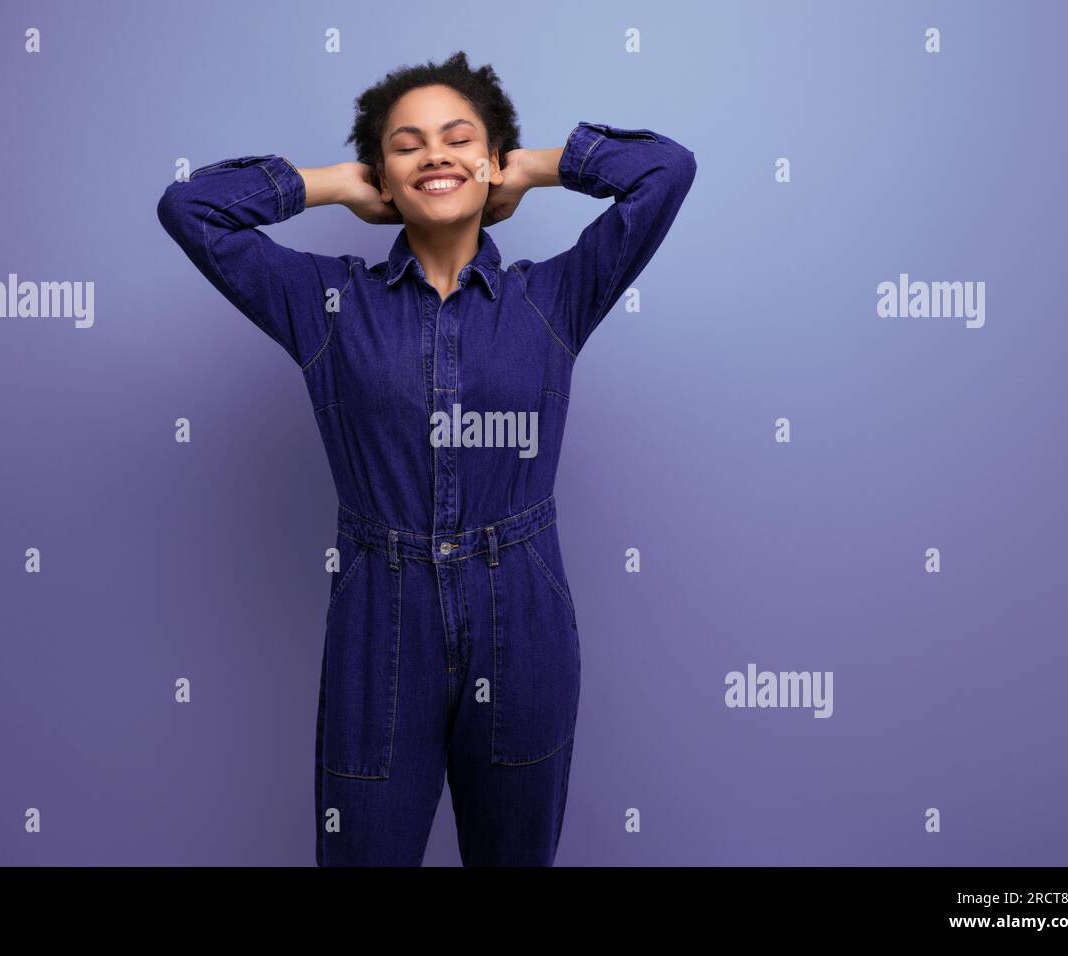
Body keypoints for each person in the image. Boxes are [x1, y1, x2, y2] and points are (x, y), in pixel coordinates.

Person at [157, 50, 696, 866]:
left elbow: (667, 169)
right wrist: (336, 182)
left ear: (491, 159)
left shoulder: (554, 299)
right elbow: (188, 206)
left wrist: (537, 167)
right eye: (406, 145)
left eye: (458, 139)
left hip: (524, 612)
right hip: (381, 614)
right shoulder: (327, 305)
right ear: (384, 173)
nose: (434, 154)